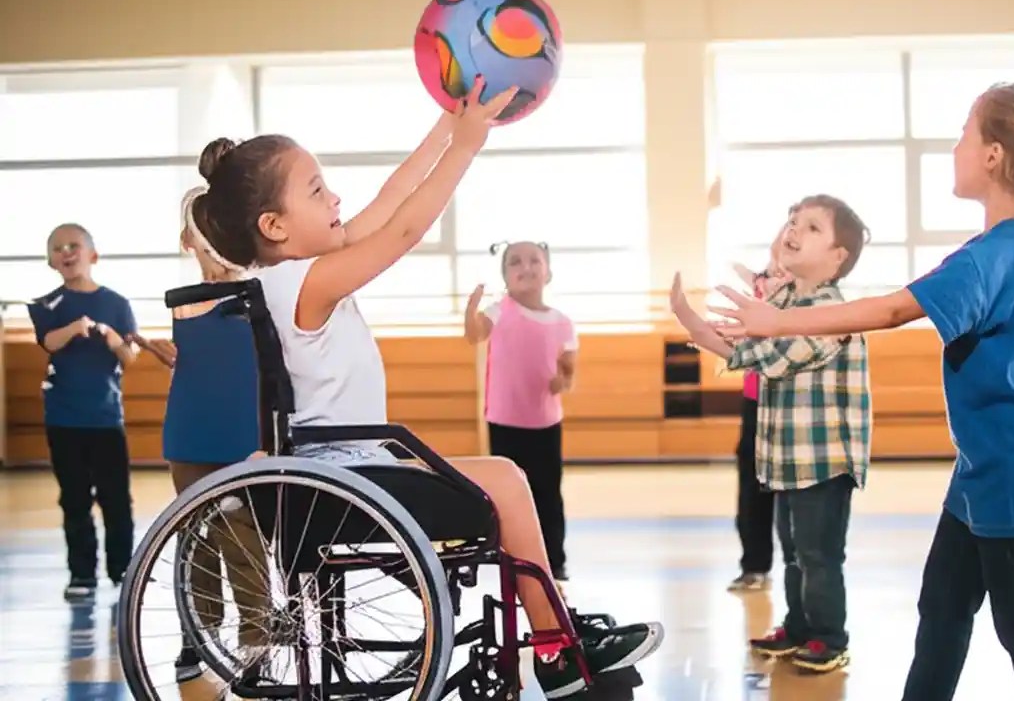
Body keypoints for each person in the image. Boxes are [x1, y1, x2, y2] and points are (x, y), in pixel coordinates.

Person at [185, 83, 663, 700]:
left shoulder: (291, 273)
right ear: (274, 226)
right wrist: (465, 148)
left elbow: (390, 201)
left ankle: (556, 632)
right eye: (316, 191)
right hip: (346, 480)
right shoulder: (305, 280)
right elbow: (404, 230)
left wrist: (446, 125)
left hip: (345, 470)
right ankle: (556, 650)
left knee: (500, 481)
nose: (335, 198)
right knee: (508, 481)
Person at [706, 83, 1014, 701]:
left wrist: (778, 320)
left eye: (966, 132)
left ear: (993, 155)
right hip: (985, 467)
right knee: (943, 605)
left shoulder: (992, 256)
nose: (955, 145)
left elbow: (891, 310)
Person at [671, 194, 873, 674]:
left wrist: (700, 328)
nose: (794, 229)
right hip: (788, 459)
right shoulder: (783, 300)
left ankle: (829, 635)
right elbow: (746, 343)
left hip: (823, 461)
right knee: (794, 550)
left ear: (838, 257)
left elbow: (768, 357)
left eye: (812, 227)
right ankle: (799, 625)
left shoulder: (830, 315)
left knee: (819, 554)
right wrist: (696, 325)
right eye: (792, 220)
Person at [164, 190, 272, 684]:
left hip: (240, 432)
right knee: (195, 537)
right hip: (189, 429)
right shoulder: (186, 301)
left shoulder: (257, 293)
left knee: (240, 534)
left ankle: (257, 640)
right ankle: (199, 632)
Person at [28, 223, 138, 600]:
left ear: (93, 255)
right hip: (63, 418)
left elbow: (130, 354)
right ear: (51, 260)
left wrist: (112, 341)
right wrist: (75, 328)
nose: (66, 252)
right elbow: (48, 342)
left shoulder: (117, 303)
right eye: (57, 248)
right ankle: (81, 575)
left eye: (74, 245)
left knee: (116, 499)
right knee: (74, 497)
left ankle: (123, 568)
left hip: (107, 418)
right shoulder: (46, 305)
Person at [464, 240, 575, 583]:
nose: (525, 267)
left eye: (534, 261)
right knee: (506, 495)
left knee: (547, 493)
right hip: (505, 421)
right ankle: (508, 557)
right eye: (515, 262)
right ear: (506, 277)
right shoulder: (501, 310)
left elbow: (568, 367)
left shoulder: (562, 322)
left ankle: (554, 561)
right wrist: (471, 311)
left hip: (545, 422)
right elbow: (475, 334)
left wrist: (562, 379)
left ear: (548, 272)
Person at [723, 230, 789, 593]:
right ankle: (754, 565)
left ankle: (797, 570)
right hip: (756, 400)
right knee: (751, 484)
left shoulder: (807, 292)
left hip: (794, 401)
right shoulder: (762, 286)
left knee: (793, 493)